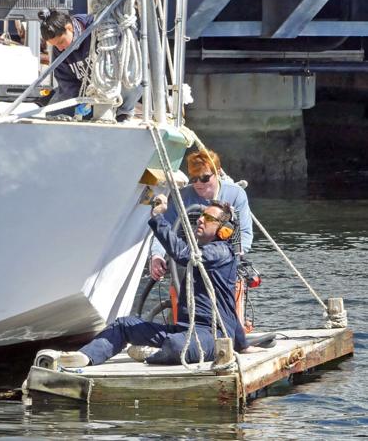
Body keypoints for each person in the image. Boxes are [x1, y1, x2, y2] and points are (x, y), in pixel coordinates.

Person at [60, 197, 250, 367]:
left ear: (224, 231)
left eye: (209, 218)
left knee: (176, 345)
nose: (200, 219)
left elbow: (183, 255)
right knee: (123, 325)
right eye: (201, 215)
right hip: (183, 330)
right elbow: (230, 308)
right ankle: (85, 357)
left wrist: (159, 218)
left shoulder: (221, 252)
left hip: (211, 335)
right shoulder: (203, 252)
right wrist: (243, 345)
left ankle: (150, 355)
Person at [149, 149, 253, 281]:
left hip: (224, 261)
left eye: (204, 178)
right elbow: (166, 229)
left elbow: (245, 232)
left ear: (217, 172)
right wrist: (156, 255)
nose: (198, 183)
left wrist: (235, 255)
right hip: (187, 260)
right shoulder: (181, 197)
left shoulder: (236, 194)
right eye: (194, 178)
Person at [39, 8, 139, 122]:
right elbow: (66, 83)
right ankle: (89, 114)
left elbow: (127, 58)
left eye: (61, 42)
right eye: (55, 45)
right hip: (87, 95)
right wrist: (84, 102)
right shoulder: (60, 50)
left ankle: (123, 114)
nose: (59, 48)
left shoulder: (99, 27)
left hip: (117, 88)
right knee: (53, 113)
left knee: (131, 79)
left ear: (69, 28)